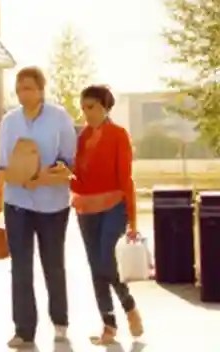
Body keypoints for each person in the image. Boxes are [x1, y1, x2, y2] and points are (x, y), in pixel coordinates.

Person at [0, 66, 78, 348]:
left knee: (53, 263)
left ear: (41, 90)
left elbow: (69, 160)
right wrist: (13, 182)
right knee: (21, 267)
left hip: (53, 204)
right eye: (19, 89)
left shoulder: (60, 118)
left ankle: (60, 321)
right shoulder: (9, 122)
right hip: (17, 202)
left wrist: (46, 175)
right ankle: (24, 329)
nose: (23, 93)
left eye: (28, 88)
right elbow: (1, 164)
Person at [72, 84, 144, 345]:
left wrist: (132, 220)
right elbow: (79, 178)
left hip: (114, 207)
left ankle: (129, 305)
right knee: (95, 267)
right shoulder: (81, 138)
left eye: (91, 107)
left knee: (106, 260)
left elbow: (126, 180)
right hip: (86, 209)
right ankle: (108, 325)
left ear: (105, 106)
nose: (86, 113)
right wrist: (64, 175)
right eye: (83, 108)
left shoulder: (118, 135)